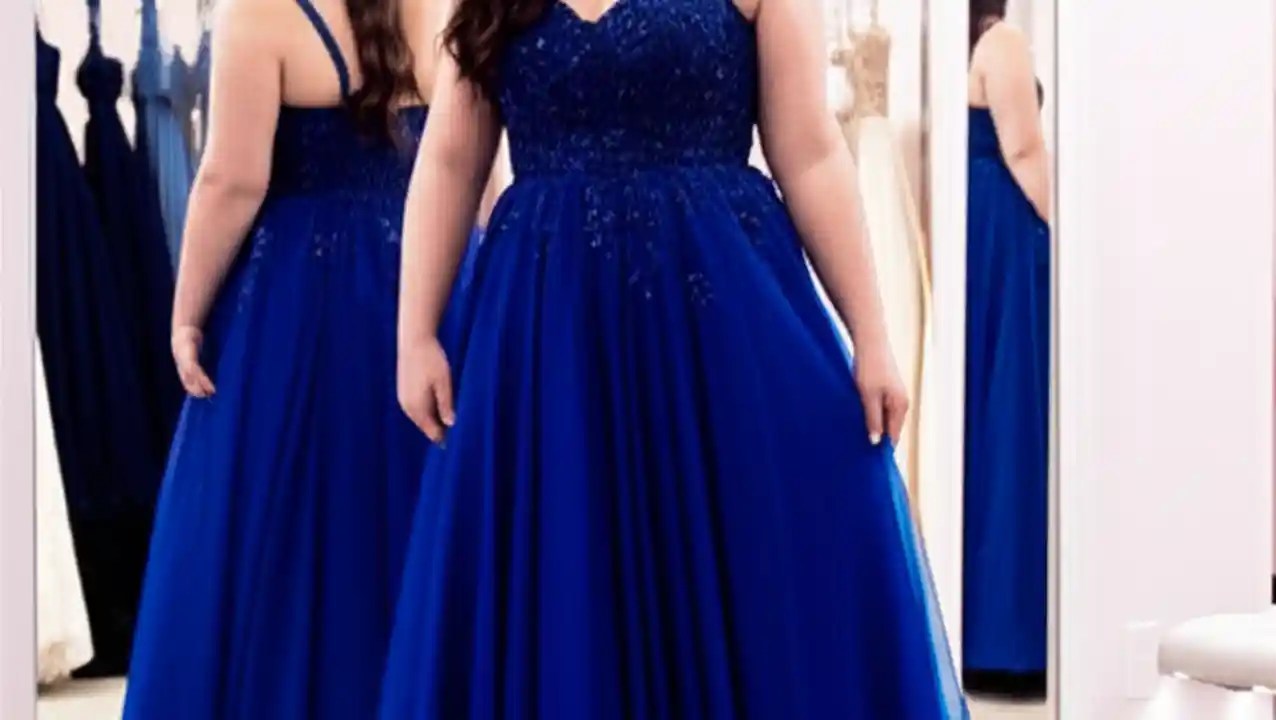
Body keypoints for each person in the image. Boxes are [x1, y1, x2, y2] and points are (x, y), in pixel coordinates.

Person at [379, 0, 968, 716]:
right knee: (570, 571)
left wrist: (871, 332)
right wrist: (415, 332)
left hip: (718, 331)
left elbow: (810, 152)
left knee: (743, 573)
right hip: (546, 342)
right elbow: (448, 159)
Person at [122, 0, 445, 715]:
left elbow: (231, 181)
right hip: (425, 284)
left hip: (302, 303)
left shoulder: (261, 11)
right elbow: (466, 165)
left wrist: (185, 315)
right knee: (415, 518)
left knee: (287, 530)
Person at [963, 0, 1053, 698]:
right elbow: (1024, 149)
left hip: (983, 235)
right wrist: (1070, 230)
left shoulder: (975, 50)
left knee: (991, 426)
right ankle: (1010, 639)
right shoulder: (1007, 40)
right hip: (1009, 237)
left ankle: (988, 629)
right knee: (1012, 425)